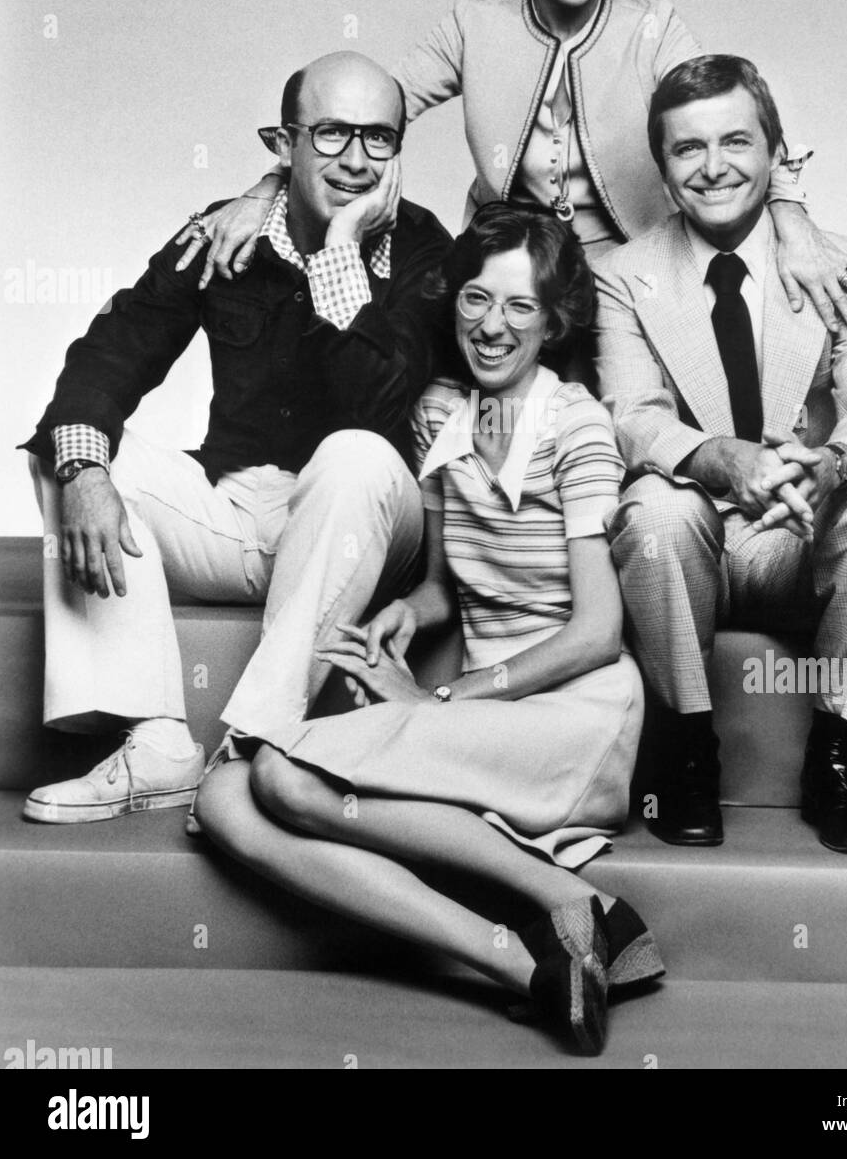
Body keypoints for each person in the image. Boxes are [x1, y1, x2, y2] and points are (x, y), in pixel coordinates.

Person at [193, 204, 656, 1057]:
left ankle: (565, 898)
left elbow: (596, 631)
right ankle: (523, 967)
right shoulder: (443, 411)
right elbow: (449, 587)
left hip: (573, 712)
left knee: (289, 781)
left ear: (554, 322)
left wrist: (441, 698)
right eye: (477, 299)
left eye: (520, 308)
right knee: (226, 797)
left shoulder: (577, 427)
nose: (492, 325)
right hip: (480, 717)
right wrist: (405, 615)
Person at [180, 0, 847, 332]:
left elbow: (733, 119)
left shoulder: (652, 27)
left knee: (616, 432)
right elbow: (350, 118)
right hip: (499, 263)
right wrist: (261, 189)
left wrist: (794, 222)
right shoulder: (473, 23)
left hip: (631, 266)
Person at [20, 52, 451, 825]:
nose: (355, 159)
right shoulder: (225, 232)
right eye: (330, 135)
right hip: (239, 517)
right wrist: (86, 471)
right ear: (283, 145)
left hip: (366, 530)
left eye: (378, 138)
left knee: (353, 453)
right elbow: (111, 353)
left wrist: (341, 248)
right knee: (67, 441)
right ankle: (155, 743)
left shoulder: (424, 248)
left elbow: (374, 407)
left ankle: (252, 745)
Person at [594, 55, 847, 855]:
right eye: (687, 150)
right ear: (663, 167)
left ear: (774, 154)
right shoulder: (623, 275)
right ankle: (685, 754)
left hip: (800, 536)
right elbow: (633, 421)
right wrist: (722, 460)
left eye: (735, 142)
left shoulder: (836, 260)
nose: (713, 169)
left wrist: (832, 468)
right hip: (695, 547)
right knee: (650, 507)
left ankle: (840, 760)